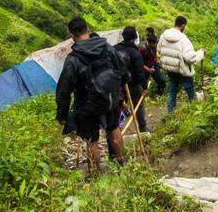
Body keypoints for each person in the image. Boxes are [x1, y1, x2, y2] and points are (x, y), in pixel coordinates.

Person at [55, 16, 127, 173]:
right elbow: (121, 67)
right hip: (110, 98)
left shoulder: (73, 59)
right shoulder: (106, 47)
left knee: (92, 140)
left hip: (88, 104)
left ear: (72, 35)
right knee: (114, 128)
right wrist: (118, 89)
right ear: (87, 29)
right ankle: (121, 162)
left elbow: (64, 89)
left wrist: (62, 114)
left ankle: (95, 174)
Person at [158, 16, 205, 112]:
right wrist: (201, 53)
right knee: (191, 91)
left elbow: (159, 49)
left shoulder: (164, 35)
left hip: (170, 69)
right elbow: (190, 58)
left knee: (172, 90)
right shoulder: (184, 40)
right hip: (182, 70)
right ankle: (196, 110)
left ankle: (171, 112)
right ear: (183, 25)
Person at [115, 26, 150, 134]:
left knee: (117, 105)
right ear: (134, 37)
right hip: (133, 84)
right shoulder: (135, 53)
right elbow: (140, 73)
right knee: (138, 105)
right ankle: (142, 128)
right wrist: (144, 87)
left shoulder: (113, 49)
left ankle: (116, 130)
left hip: (116, 84)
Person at [140, 27, 166, 96]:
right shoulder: (142, 48)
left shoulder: (154, 46)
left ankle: (159, 94)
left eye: (156, 43)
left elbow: (154, 54)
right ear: (149, 42)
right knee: (142, 85)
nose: (155, 45)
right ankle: (142, 97)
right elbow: (139, 63)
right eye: (154, 44)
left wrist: (156, 59)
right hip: (144, 69)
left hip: (153, 66)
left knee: (161, 80)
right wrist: (148, 69)